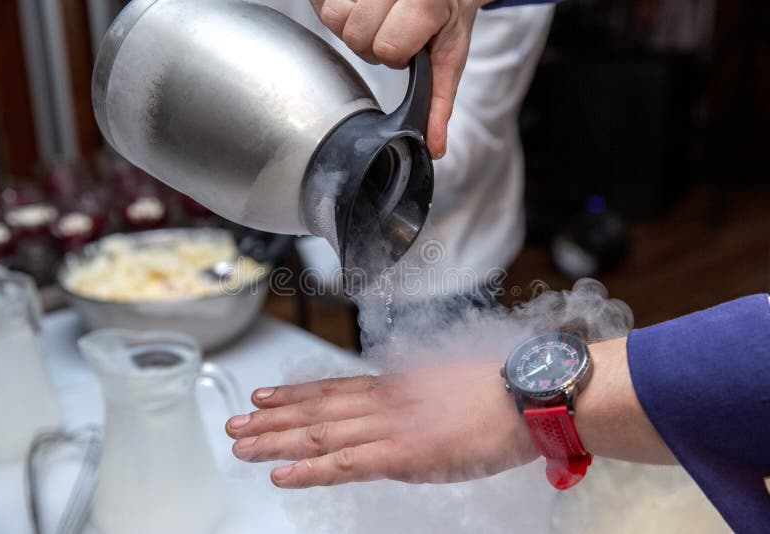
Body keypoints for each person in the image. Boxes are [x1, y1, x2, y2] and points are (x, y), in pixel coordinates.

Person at [226, 2, 770, 533]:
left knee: (448, 445)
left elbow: (461, 141)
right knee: (382, 415)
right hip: (347, 245)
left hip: (458, 247)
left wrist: (529, 407)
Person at [259, 0, 555, 297]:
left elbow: (465, 139)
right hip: (339, 238)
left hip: (453, 252)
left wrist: (329, 195)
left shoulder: (512, 13)